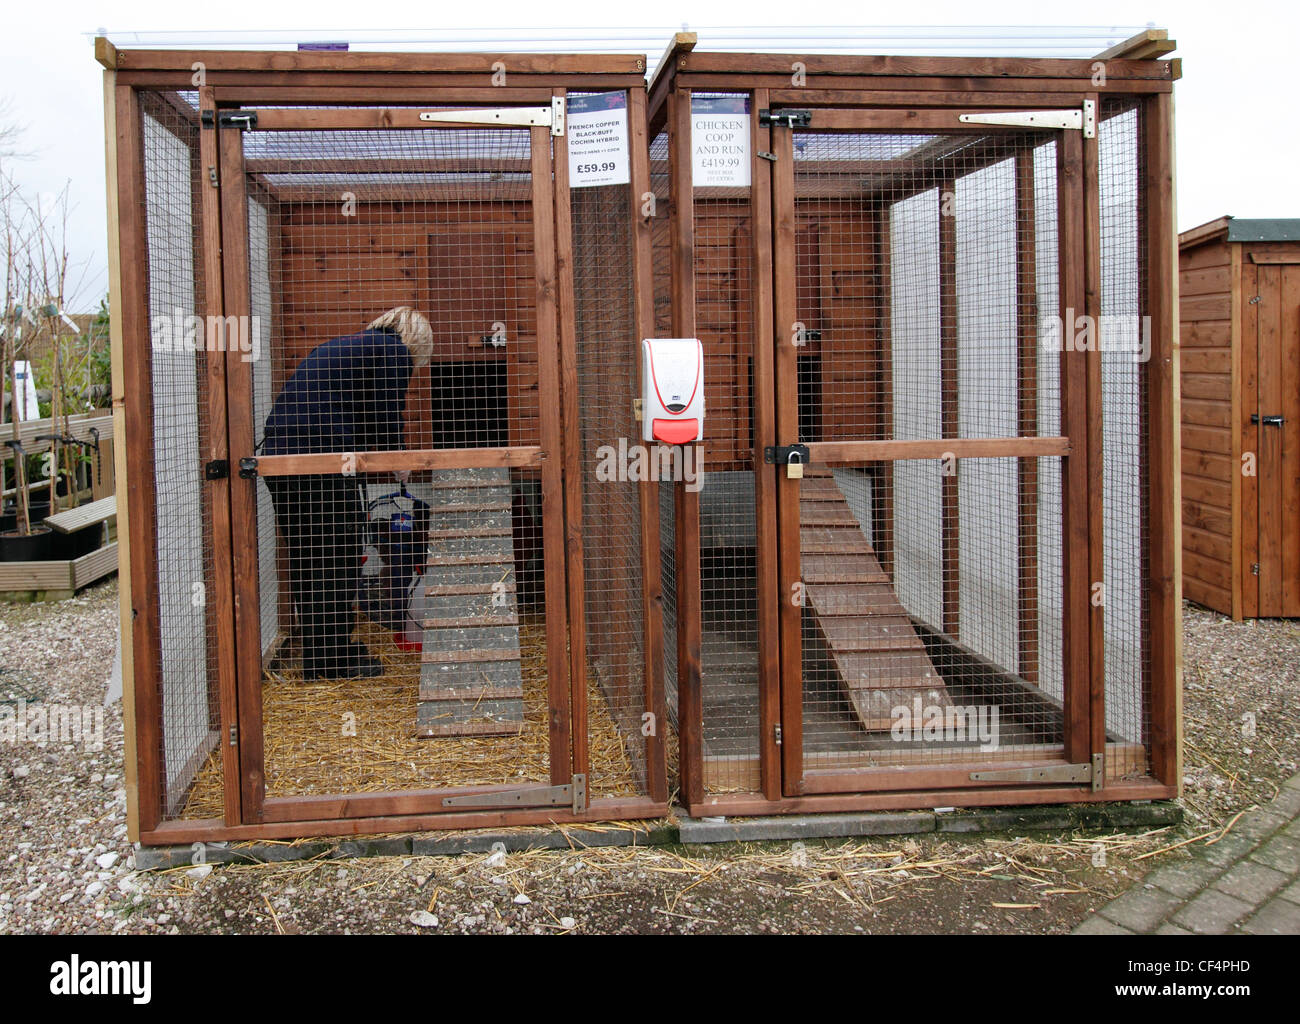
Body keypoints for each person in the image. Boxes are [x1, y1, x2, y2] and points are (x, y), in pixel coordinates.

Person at [261, 307, 434, 680]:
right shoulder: (393, 351)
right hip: (318, 460)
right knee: (338, 554)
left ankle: (322, 654)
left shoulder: (350, 347)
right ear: (417, 341)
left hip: (280, 459)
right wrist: (399, 458)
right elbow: (387, 414)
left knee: (309, 558)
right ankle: (333, 661)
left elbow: (364, 418)